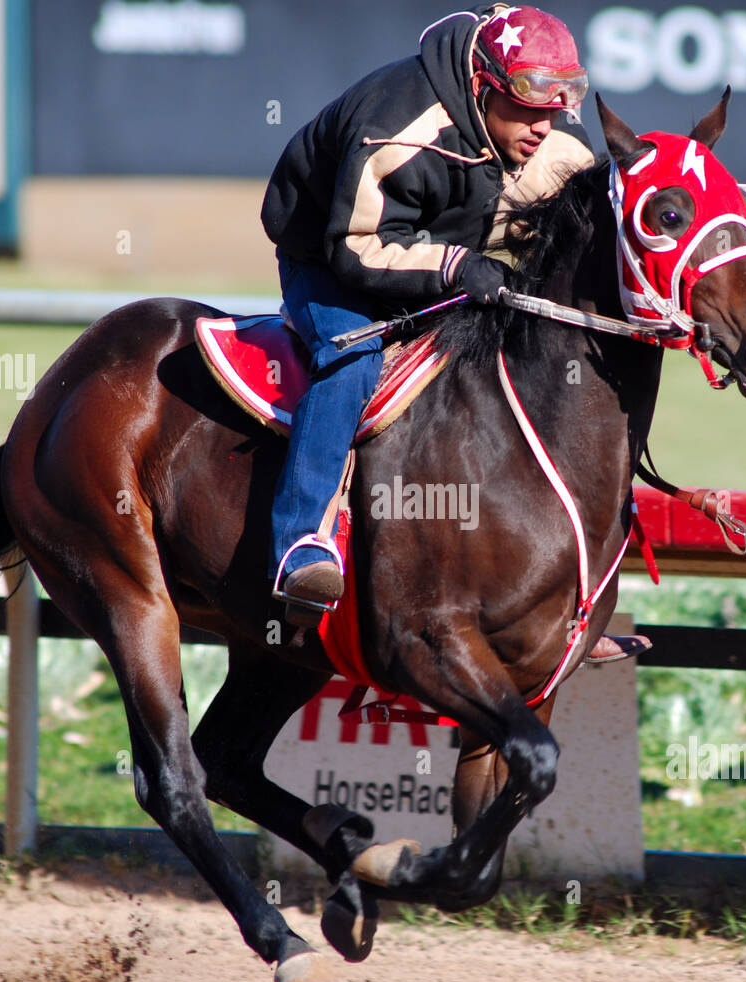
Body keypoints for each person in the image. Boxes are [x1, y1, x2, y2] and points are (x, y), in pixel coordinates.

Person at [260, 4, 648, 665]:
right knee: (351, 364)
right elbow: (357, 248)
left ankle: (549, 604)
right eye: (527, 106)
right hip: (333, 259)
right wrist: (459, 266)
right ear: (481, 84)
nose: (543, 126)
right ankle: (301, 544)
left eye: (557, 108)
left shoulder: (550, 144)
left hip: (436, 249)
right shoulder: (400, 131)